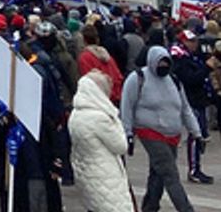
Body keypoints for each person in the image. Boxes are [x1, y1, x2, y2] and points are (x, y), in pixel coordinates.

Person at [120, 45, 203, 212]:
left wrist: (196, 133)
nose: (163, 68)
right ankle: (186, 208)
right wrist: (128, 133)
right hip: (149, 131)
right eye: (160, 64)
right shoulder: (137, 78)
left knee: (158, 173)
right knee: (170, 174)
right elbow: (126, 107)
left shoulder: (174, 81)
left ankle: (150, 206)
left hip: (172, 134)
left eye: (166, 64)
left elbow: (185, 108)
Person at [67, 71, 132, 212]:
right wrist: (115, 120)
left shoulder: (76, 115)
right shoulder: (100, 118)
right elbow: (121, 146)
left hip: (87, 174)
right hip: (105, 175)